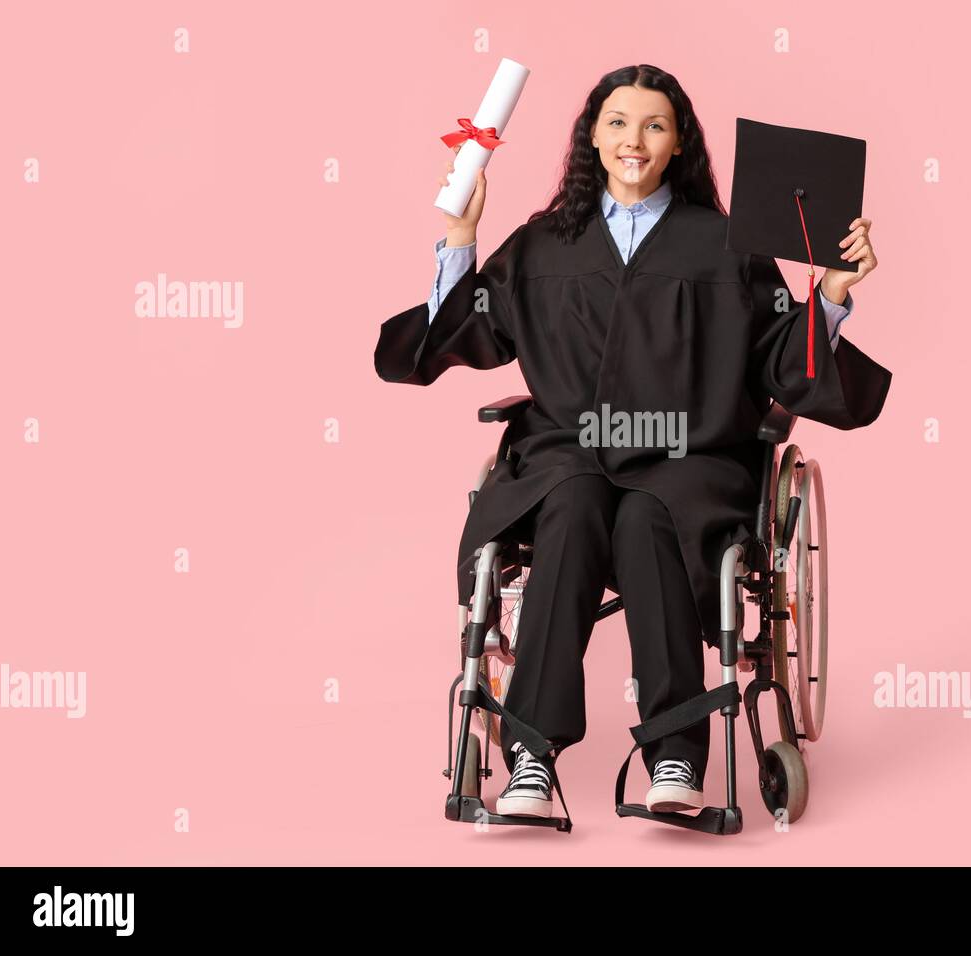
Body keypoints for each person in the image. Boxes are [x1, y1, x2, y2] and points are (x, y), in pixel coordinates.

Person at [374, 64, 892, 818]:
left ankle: (676, 757)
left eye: (654, 124)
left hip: (690, 455)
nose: (634, 139)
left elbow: (781, 360)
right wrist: (461, 237)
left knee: (651, 512)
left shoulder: (724, 245)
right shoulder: (546, 242)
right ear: (592, 134)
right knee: (574, 504)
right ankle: (529, 754)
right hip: (571, 451)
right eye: (617, 122)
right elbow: (468, 333)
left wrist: (835, 292)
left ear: (679, 141)